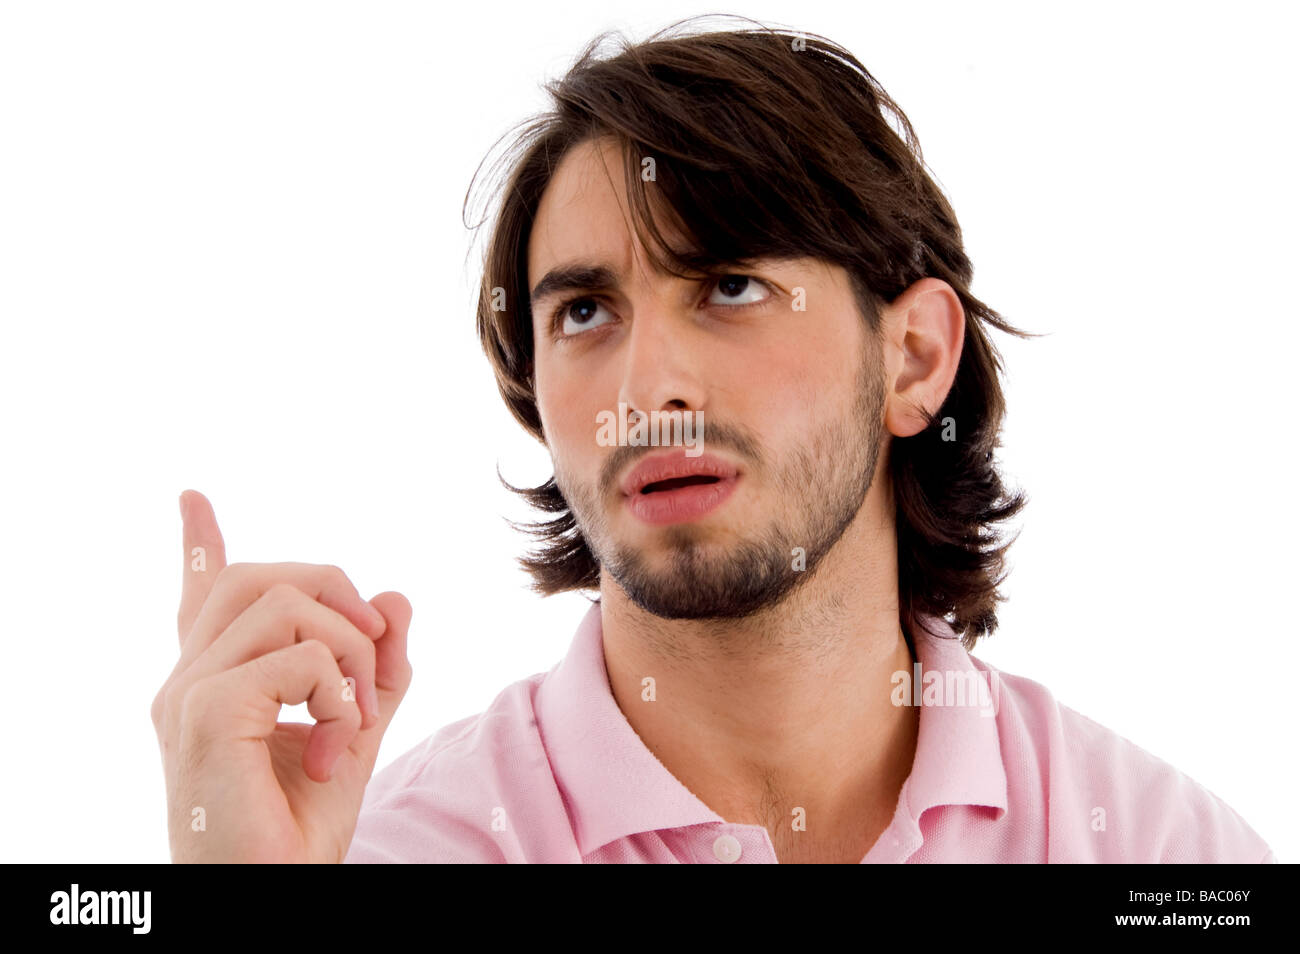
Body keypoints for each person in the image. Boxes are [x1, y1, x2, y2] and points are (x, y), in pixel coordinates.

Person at [155, 18, 1276, 863]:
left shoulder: (1158, 853)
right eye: (584, 312)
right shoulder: (402, 854)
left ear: (915, 359)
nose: (649, 387)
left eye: (730, 286)